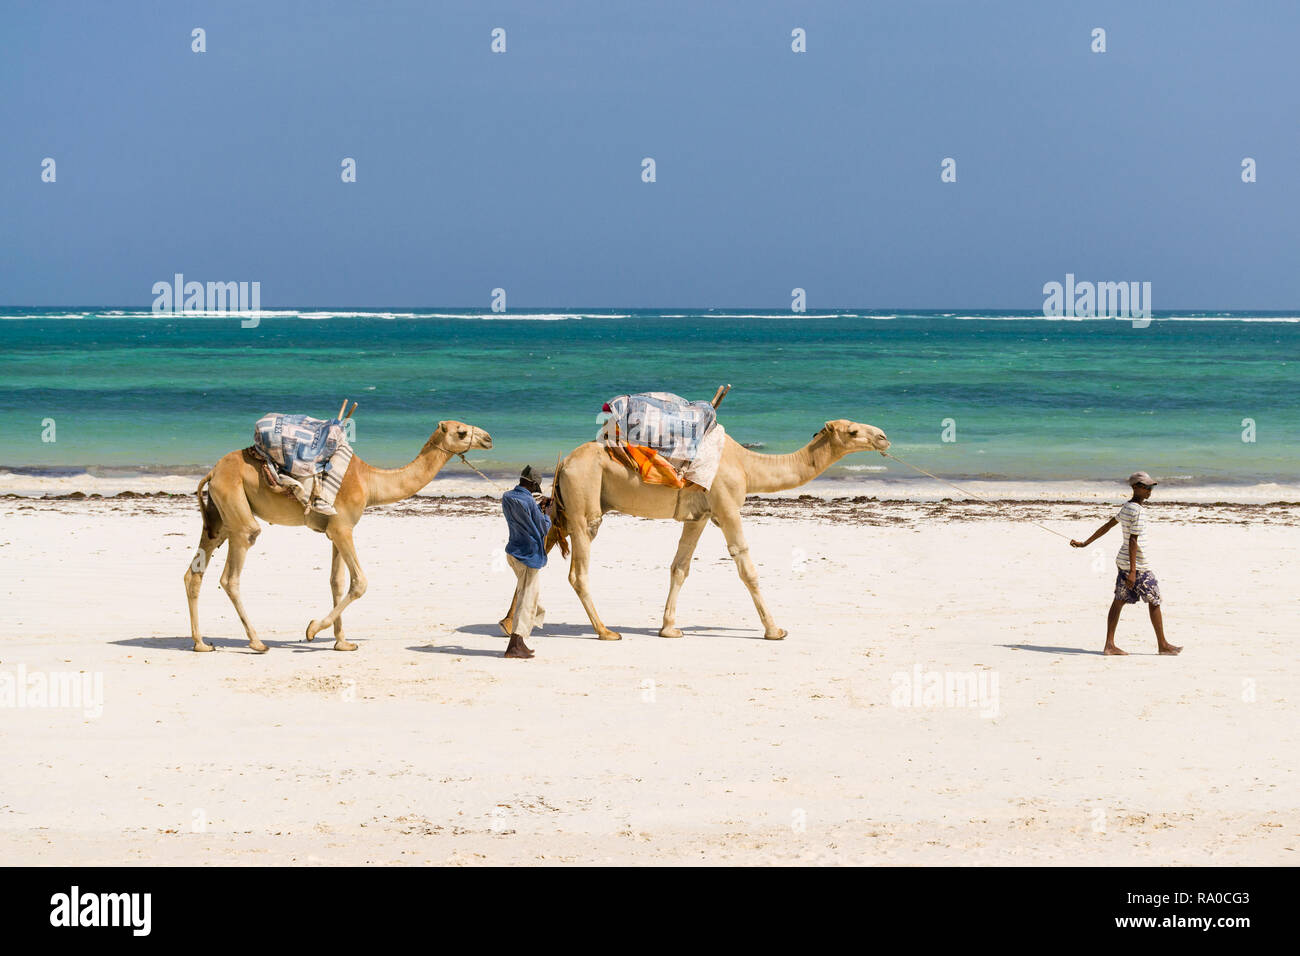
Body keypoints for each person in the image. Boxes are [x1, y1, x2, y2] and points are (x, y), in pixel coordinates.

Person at [1070, 471, 1182, 656]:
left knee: (1119, 601)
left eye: (1151, 487)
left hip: (1123, 562)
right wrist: (1132, 571)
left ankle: (1109, 645)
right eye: (1146, 487)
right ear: (1136, 488)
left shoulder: (1128, 507)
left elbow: (1107, 526)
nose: (1149, 491)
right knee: (1154, 601)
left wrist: (1085, 543)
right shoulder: (1136, 511)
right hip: (1136, 565)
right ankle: (1162, 645)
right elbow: (1132, 541)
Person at [500, 466, 551, 659]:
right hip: (528, 555)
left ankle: (520, 641)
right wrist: (547, 513)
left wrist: (539, 509)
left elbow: (525, 519)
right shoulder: (529, 501)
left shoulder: (507, 497)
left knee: (528, 593)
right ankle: (514, 645)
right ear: (531, 483)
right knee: (526, 598)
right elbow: (542, 528)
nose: (535, 490)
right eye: (535, 486)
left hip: (513, 552)